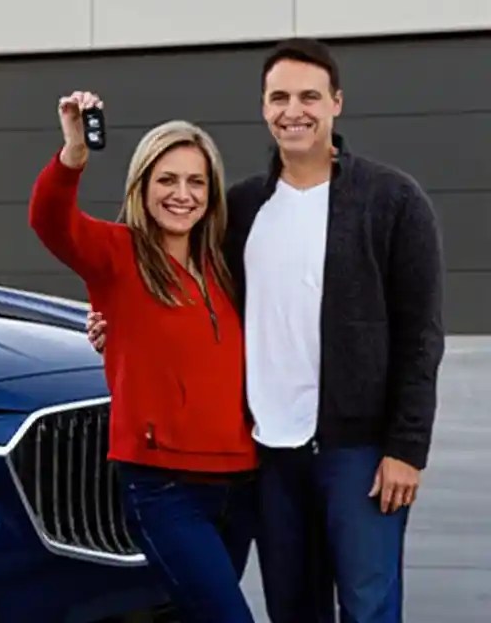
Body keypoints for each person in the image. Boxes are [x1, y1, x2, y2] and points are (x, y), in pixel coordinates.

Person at [86, 38, 445, 623]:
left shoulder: (392, 200)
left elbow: (421, 335)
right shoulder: (241, 208)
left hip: (358, 452)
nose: (293, 109)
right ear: (263, 108)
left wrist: (406, 449)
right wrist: (115, 323)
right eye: (279, 97)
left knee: (368, 606)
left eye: (309, 96)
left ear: (336, 103)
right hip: (269, 455)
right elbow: (185, 292)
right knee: (292, 608)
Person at [28, 91, 258, 623]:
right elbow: (49, 220)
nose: (182, 194)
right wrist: (74, 154)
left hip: (240, 483)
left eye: (196, 181)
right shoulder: (118, 255)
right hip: (165, 486)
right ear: (143, 187)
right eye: (167, 180)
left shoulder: (225, 269)